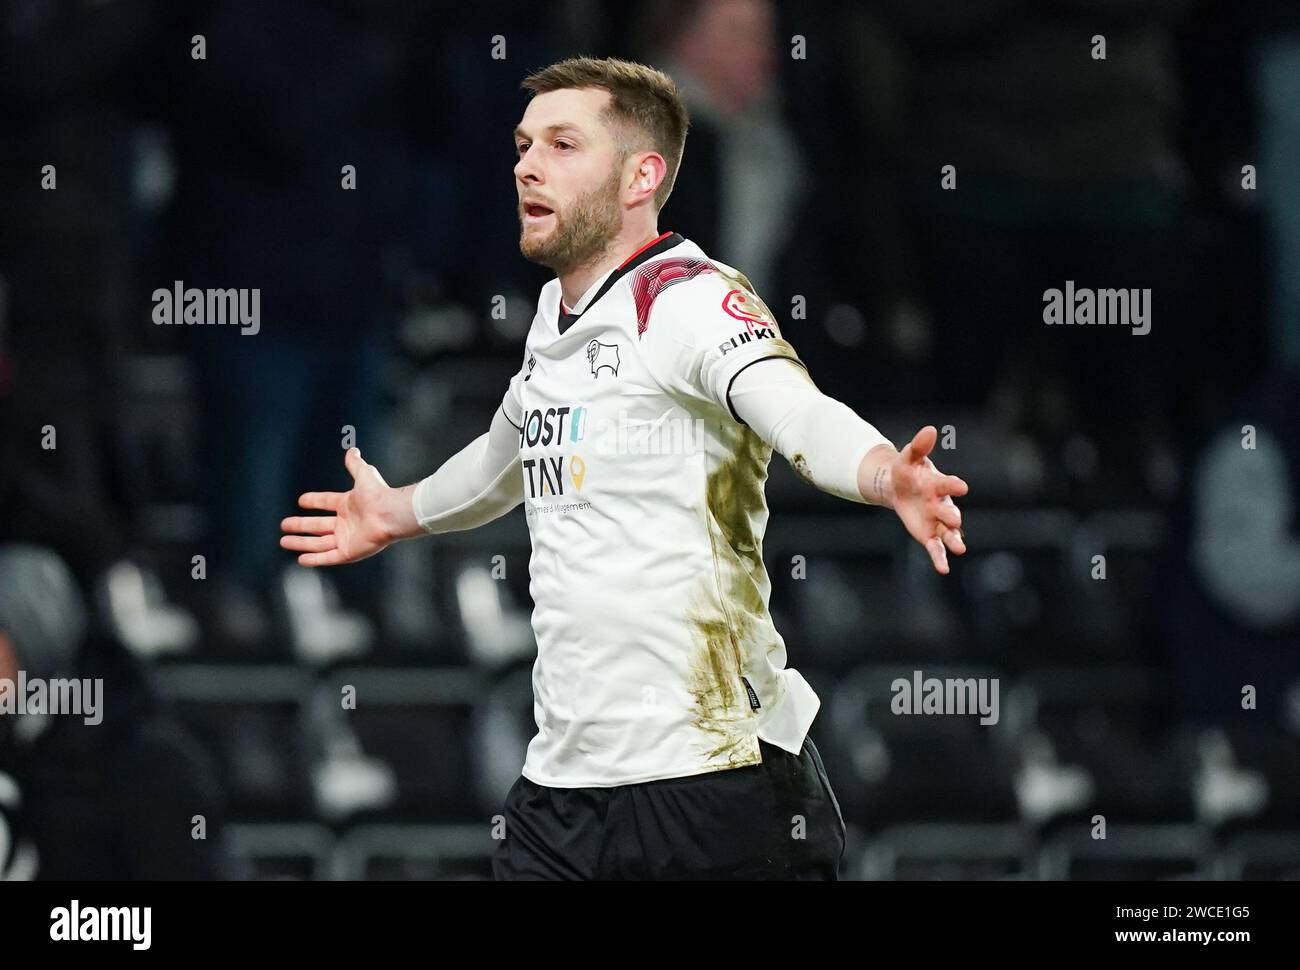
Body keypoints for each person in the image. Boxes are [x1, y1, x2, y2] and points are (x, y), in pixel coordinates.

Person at [281, 57, 968, 880]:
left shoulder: (687, 299)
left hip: (712, 781)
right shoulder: (554, 316)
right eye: (523, 144)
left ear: (642, 175)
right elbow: (508, 452)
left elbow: (795, 410)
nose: (527, 165)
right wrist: (399, 512)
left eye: (564, 145)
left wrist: (884, 472)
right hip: (565, 789)